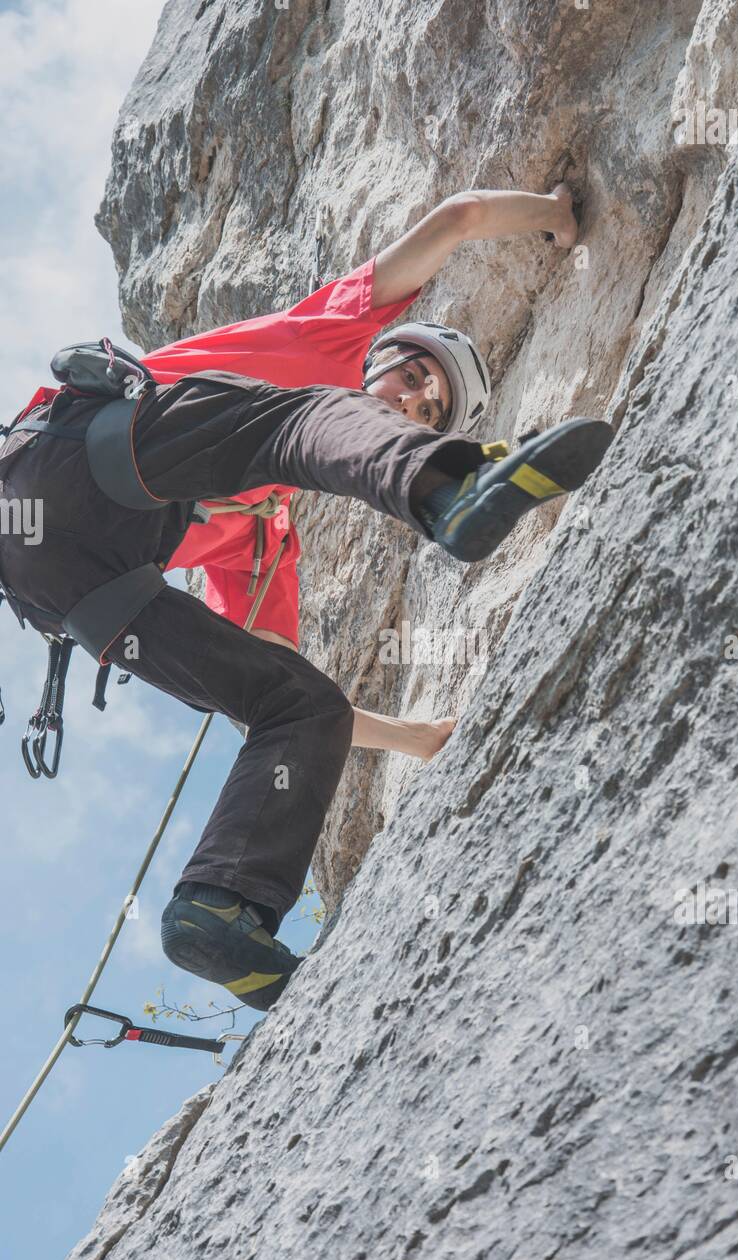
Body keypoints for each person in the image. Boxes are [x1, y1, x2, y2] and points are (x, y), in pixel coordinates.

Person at [0, 185, 613, 1011]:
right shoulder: (327, 344)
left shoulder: (265, 544)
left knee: (300, 705)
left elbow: (287, 696)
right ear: (384, 352)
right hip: (69, 464)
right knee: (305, 417)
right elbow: (459, 220)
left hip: (61, 582)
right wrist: (554, 211)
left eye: (429, 412)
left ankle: (219, 910)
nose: (409, 401)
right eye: (414, 379)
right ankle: (452, 485)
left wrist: (417, 740)